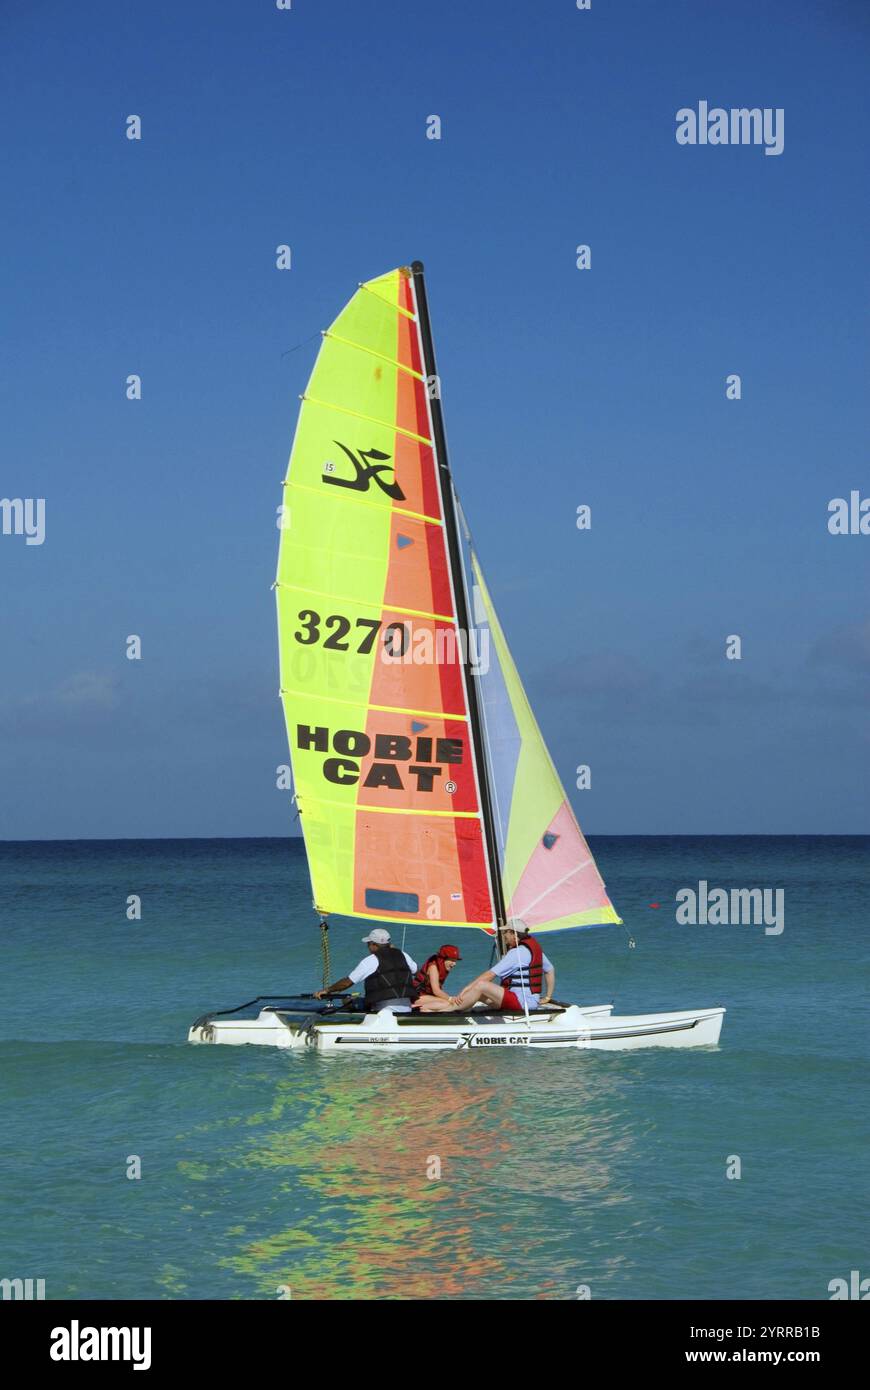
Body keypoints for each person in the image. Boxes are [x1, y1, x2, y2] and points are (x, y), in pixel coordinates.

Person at [413, 919, 554, 1014]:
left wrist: (467, 988)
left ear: (514, 934)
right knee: (476, 996)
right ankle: (454, 1008)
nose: (504, 935)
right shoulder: (534, 949)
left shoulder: (516, 953)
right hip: (530, 1001)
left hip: (520, 1003)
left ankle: (447, 1010)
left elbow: (489, 975)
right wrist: (547, 996)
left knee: (481, 986)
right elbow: (550, 970)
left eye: (506, 932)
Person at [314, 927, 418, 1013]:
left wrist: (327, 990)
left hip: (383, 1011)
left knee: (346, 1001)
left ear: (374, 944)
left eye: (368, 944)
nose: (367, 946)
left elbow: (347, 983)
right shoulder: (403, 955)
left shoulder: (371, 960)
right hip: (406, 1009)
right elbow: (416, 971)